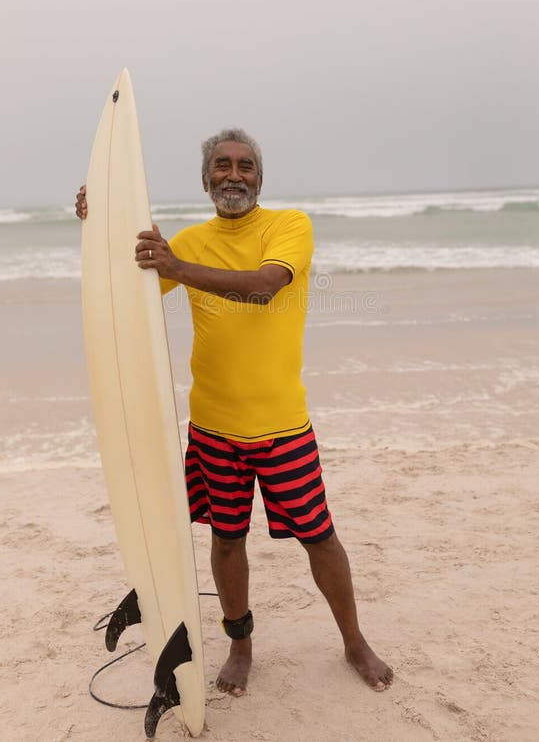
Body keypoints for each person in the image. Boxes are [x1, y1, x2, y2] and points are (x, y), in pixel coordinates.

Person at [75, 128, 393, 697]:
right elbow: (124, 289)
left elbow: (264, 287)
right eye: (222, 165)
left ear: (259, 178)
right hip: (213, 430)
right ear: (205, 180)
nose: (234, 174)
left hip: (283, 428)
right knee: (226, 539)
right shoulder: (190, 243)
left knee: (320, 538)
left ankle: (353, 640)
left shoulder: (288, 226)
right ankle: (240, 646)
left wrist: (177, 267)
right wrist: (97, 224)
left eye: (246, 166)